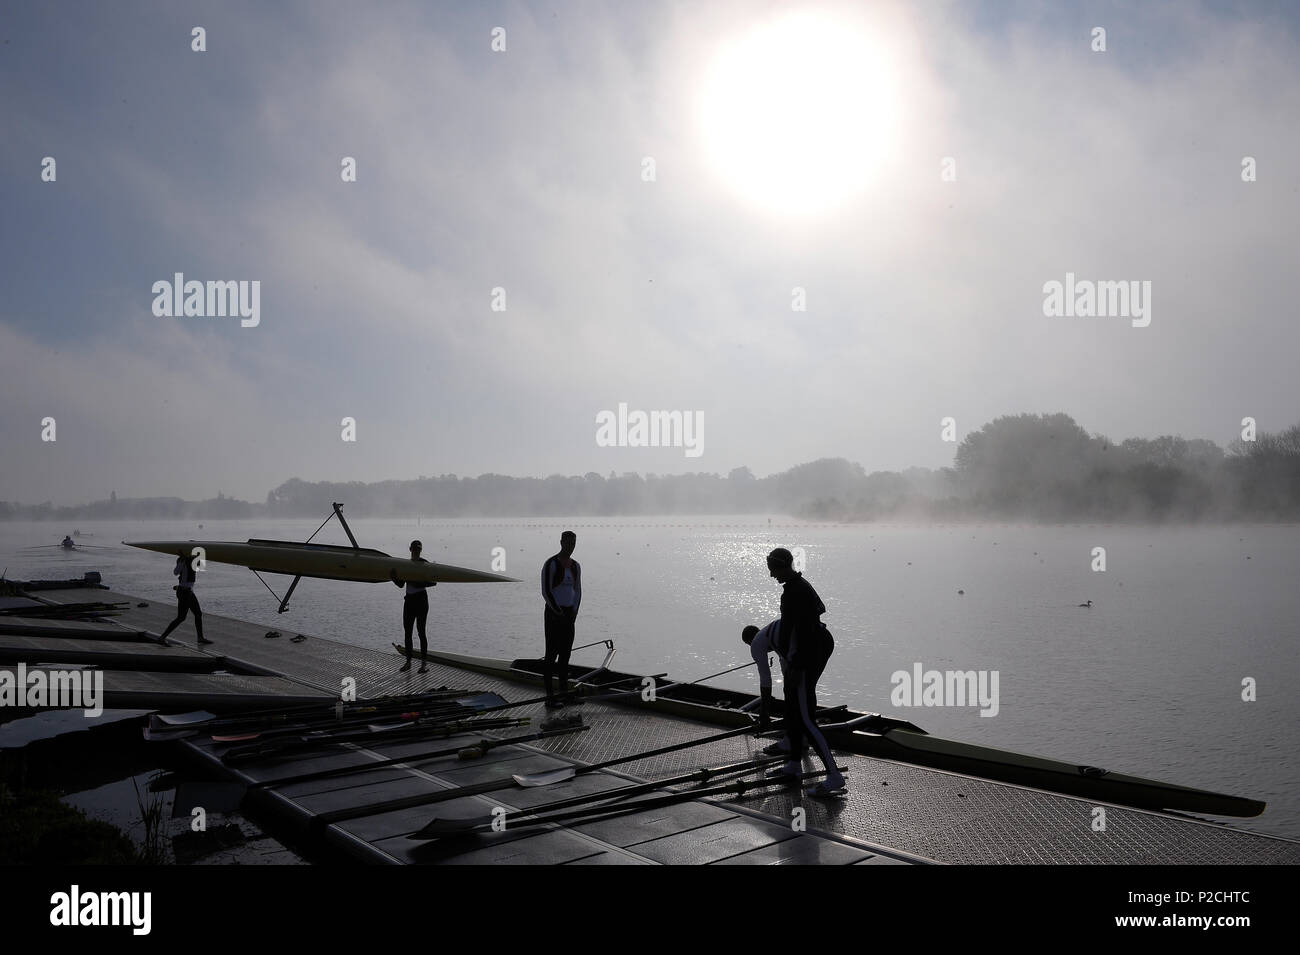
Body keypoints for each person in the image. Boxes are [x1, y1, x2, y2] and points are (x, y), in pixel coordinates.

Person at [765, 547, 845, 797]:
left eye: (772, 570)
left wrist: (796, 665)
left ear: (781, 566)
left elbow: (805, 632)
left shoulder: (794, 593)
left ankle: (834, 776)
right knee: (795, 711)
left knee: (807, 718)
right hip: (808, 652)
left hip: (805, 657)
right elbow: (813, 618)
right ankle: (793, 764)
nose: (771, 575)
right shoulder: (799, 586)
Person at [540, 530, 581, 709]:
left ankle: (564, 695)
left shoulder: (576, 566)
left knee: (565, 656)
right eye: (567, 543)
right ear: (561, 543)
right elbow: (546, 591)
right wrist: (558, 612)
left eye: (573, 544)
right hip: (553, 614)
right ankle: (550, 697)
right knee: (551, 655)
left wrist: (574, 612)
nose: (570, 547)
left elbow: (578, 591)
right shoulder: (551, 564)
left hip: (569, 615)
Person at [392, 540, 435, 673]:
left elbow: (433, 582)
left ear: (421, 550)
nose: (416, 551)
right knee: (407, 632)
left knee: (421, 632)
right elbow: (401, 584)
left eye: (418, 549)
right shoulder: (406, 565)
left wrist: (419, 584)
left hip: (421, 600)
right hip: (409, 601)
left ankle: (423, 664)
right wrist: (393, 577)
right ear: (410, 549)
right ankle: (408, 662)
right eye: (414, 549)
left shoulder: (424, 564)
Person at [160, 552, 210, 645]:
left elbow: (200, 566)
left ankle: (200, 637)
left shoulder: (192, 560)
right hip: (184, 592)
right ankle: (162, 637)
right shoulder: (183, 560)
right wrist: (182, 560)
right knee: (181, 617)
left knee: (197, 614)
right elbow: (176, 572)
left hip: (188, 591)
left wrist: (200, 556)